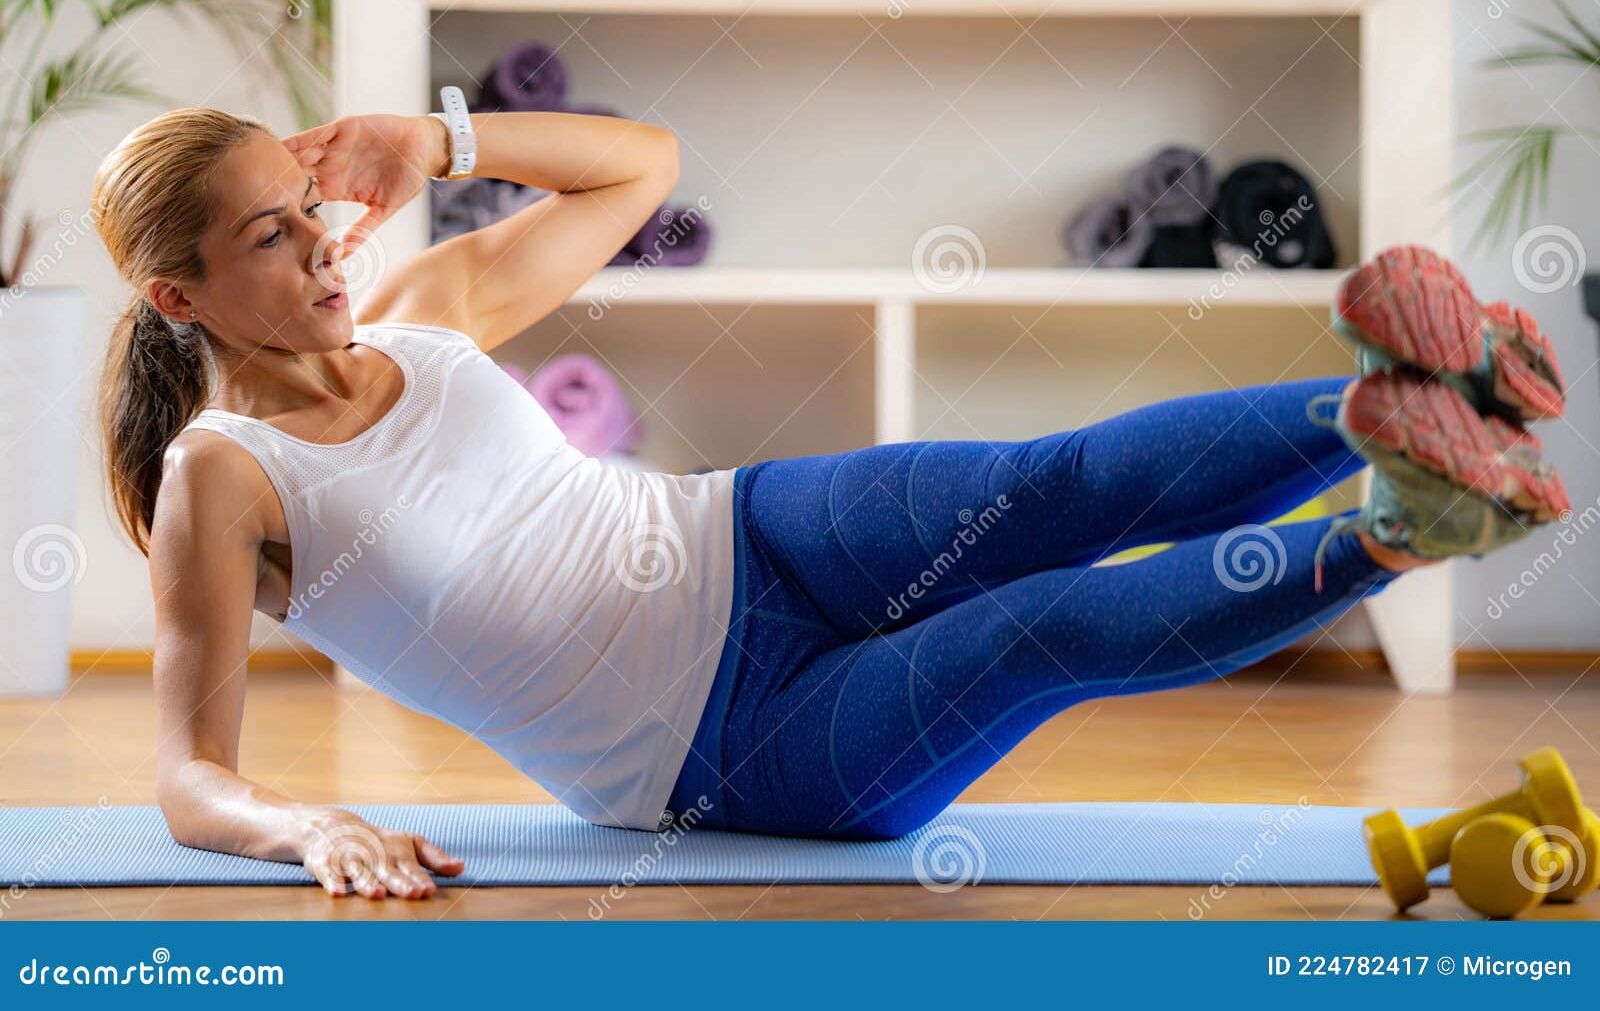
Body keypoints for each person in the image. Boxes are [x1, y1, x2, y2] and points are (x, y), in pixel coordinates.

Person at [91, 106, 1569, 899]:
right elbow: (186, 775)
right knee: (1036, 631)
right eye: (272, 239)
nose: (326, 251)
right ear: (181, 293)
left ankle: (1419, 394)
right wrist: (307, 830)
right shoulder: (222, 483)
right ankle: (1404, 525)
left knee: (1042, 483)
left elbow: (644, 171)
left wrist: (440, 139)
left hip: (751, 529)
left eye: (312, 206)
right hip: (730, 749)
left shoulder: (420, 306)